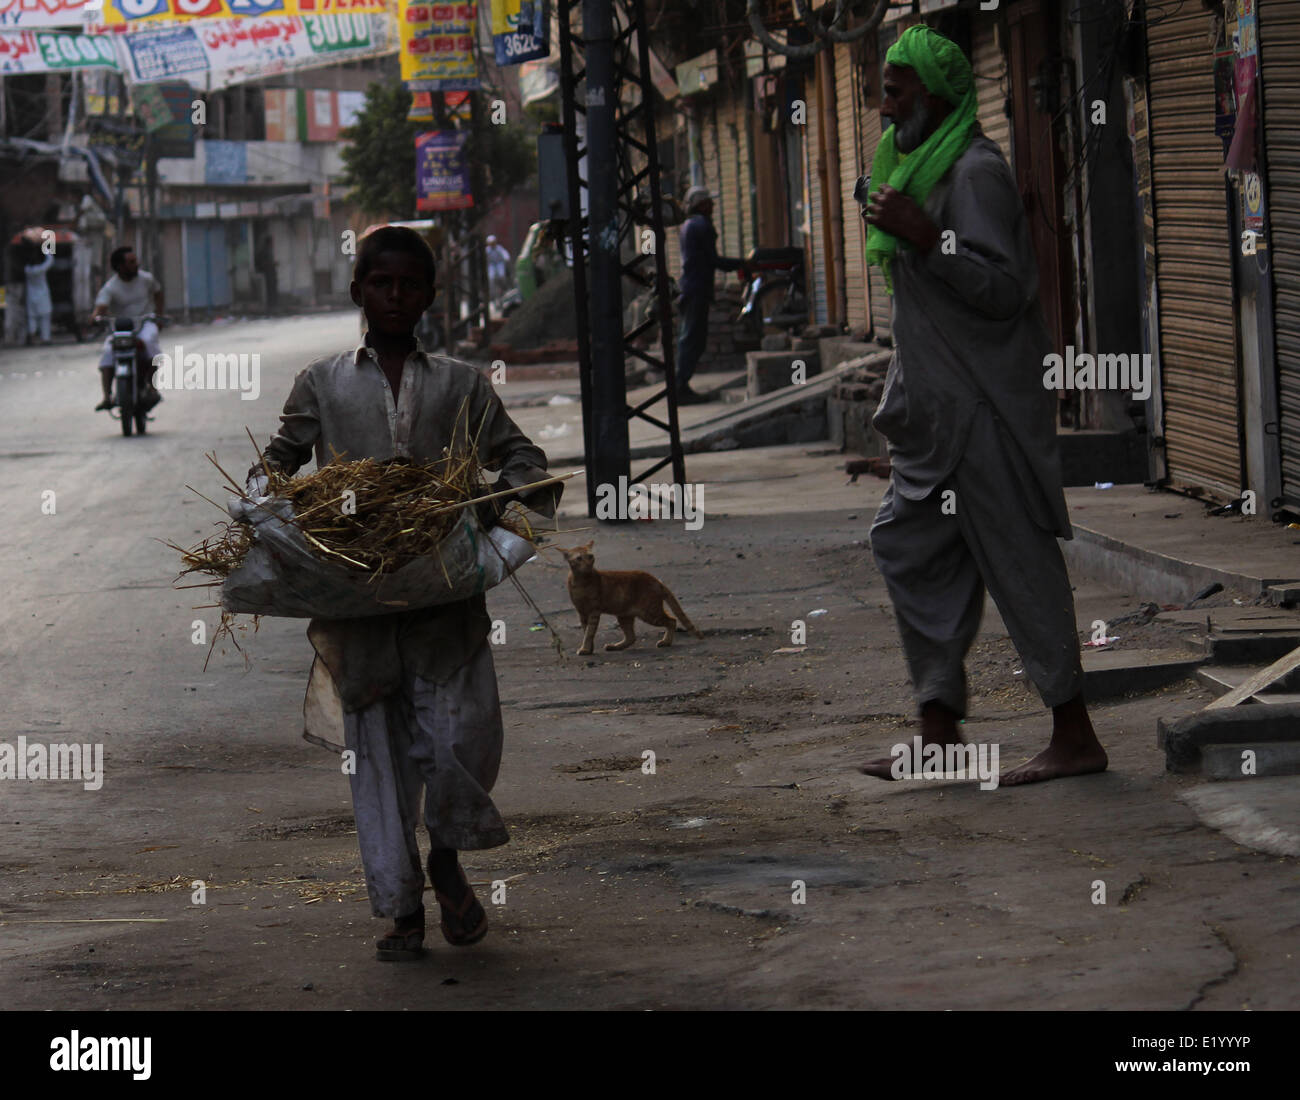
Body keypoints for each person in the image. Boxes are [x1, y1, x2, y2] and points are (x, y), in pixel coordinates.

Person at [248, 225, 561, 961]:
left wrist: (486, 510)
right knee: (378, 756)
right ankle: (401, 910)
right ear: (358, 291)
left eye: (409, 285)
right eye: (380, 283)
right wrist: (275, 520)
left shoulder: (462, 385)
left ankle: (448, 856)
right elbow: (277, 466)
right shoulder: (322, 384)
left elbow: (526, 463)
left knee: (462, 742)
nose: (394, 297)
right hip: (356, 602)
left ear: (429, 295)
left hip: (446, 598)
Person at [857, 24, 1106, 787]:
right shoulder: (914, 165)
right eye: (884, 88)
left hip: (986, 409)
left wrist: (929, 238)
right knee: (910, 549)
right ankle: (938, 727)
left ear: (935, 96)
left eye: (896, 90)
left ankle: (1075, 732)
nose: (882, 104)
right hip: (935, 416)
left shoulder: (973, 172)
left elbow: (1005, 291)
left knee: (1019, 563)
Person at [675, 186, 746, 404]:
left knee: (691, 338)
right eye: (710, 203)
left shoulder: (688, 225)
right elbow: (713, 260)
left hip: (689, 287)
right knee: (693, 340)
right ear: (702, 205)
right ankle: (680, 387)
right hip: (696, 289)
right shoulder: (701, 226)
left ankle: (680, 384)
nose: (713, 206)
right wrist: (742, 264)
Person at [90, 246, 164, 412]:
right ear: (120, 267)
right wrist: (95, 318)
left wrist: (159, 315)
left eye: (135, 261)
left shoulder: (146, 279)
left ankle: (153, 388)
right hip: (120, 328)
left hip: (144, 323)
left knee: (149, 342)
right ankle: (107, 396)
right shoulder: (111, 287)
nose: (136, 264)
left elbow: (158, 293)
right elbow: (101, 307)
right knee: (108, 352)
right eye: (131, 262)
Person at [23, 240, 55, 345]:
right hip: (43, 296)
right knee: (45, 318)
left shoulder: (27, 270)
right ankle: (45, 339)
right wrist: (46, 249)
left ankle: (32, 337)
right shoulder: (40, 269)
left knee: (32, 318)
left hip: (31, 297)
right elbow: (50, 261)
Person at [485, 234, 511, 303]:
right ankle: (492, 293)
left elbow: (504, 254)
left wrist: (506, 258)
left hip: (499, 263)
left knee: (502, 275)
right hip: (492, 265)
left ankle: (504, 286)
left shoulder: (499, 248)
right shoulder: (487, 250)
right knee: (491, 278)